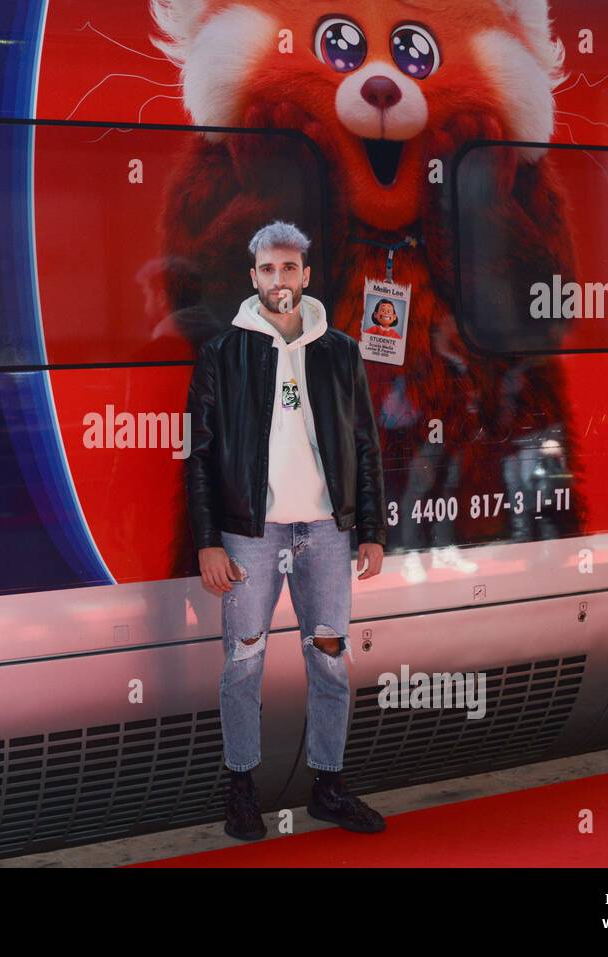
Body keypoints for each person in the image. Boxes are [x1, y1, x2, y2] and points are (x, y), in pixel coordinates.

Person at [184, 220, 389, 841]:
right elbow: (199, 452)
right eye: (268, 269)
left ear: (305, 274)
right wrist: (208, 539)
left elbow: (364, 444)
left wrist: (371, 529)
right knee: (242, 664)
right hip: (250, 535)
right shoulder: (224, 352)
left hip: (327, 532)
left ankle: (328, 786)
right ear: (254, 278)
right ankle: (241, 789)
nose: (280, 279)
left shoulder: (342, 351)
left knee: (329, 661)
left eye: (290, 268)